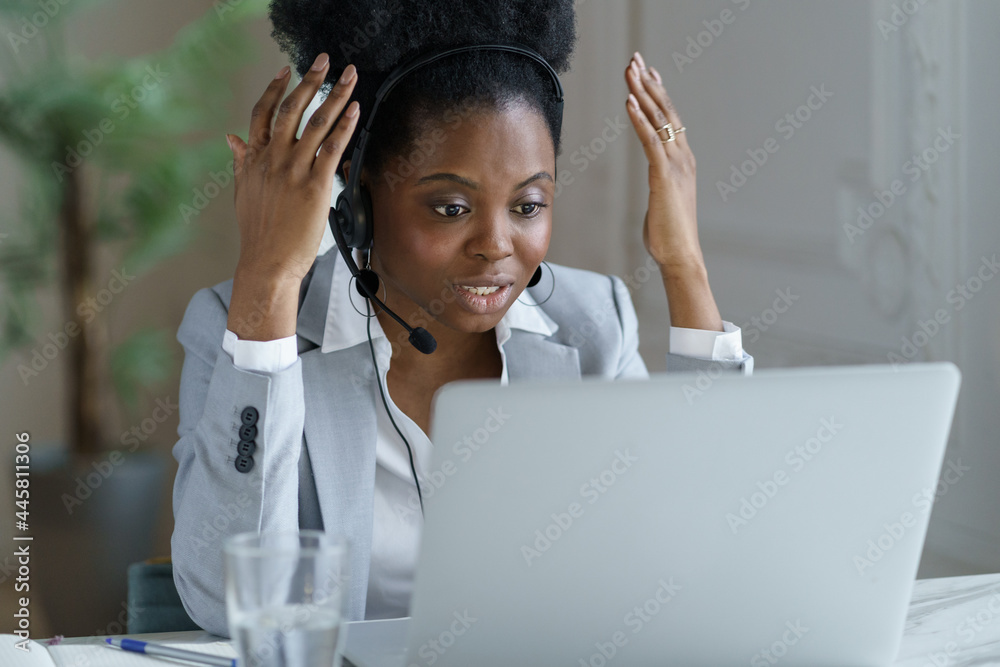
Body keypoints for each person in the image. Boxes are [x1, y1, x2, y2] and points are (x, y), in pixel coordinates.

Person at [170, 0, 753, 637]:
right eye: (450, 207)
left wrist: (684, 266)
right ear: (356, 209)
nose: (497, 245)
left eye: (528, 205)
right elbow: (228, 605)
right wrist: (270, 280)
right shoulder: (248, 328)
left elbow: (708, 558)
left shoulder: (591, 331)